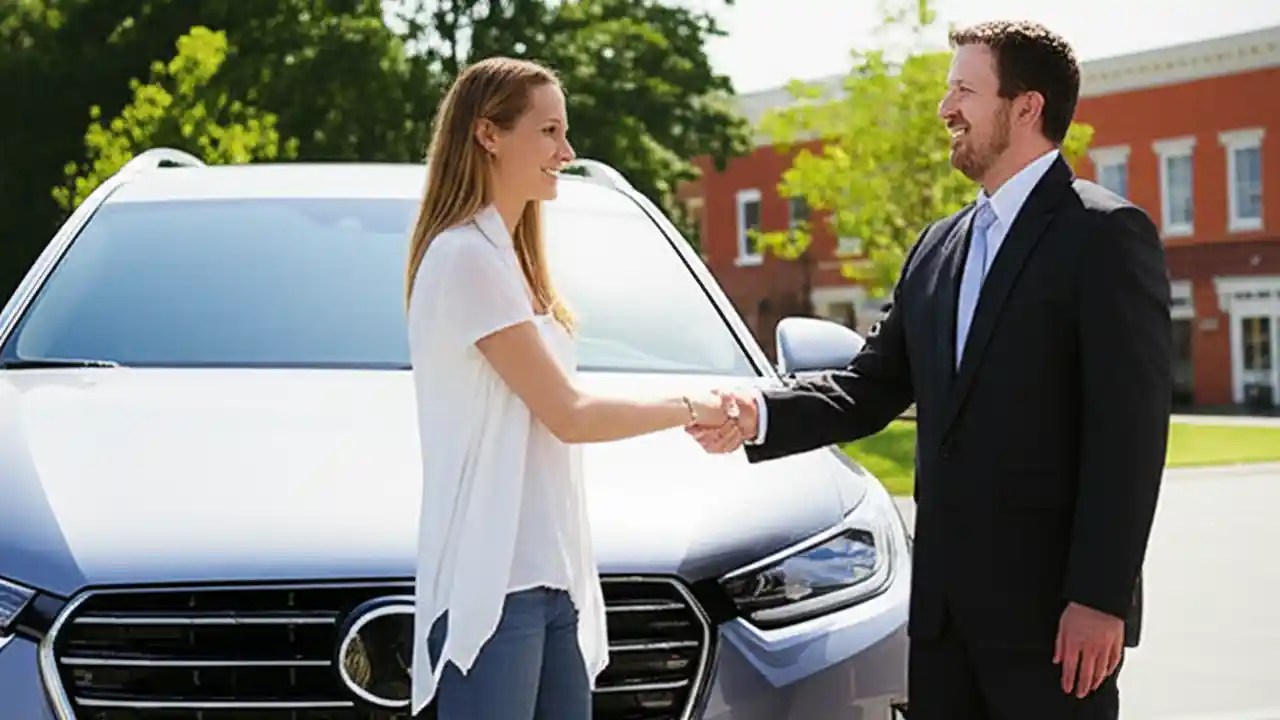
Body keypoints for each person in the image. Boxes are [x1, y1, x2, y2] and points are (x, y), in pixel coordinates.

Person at [690, 20, 1171, 720]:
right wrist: (755, 413)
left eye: (964, 90)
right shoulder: (936, 246)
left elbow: (1128, 438)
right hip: (942, 624)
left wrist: (1100, 599)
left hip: (1053, 625)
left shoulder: (1104, 235)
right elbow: (869, 387)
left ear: (1026, 107)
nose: (946, 108)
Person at [404, 56, 735, 720]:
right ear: (488, 134)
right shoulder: (464, 257)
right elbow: (569, 414)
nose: (567, 151)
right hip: (493, 588)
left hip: (553, 576)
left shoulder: (514, 262)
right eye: (549, 131)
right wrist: (691, 407)